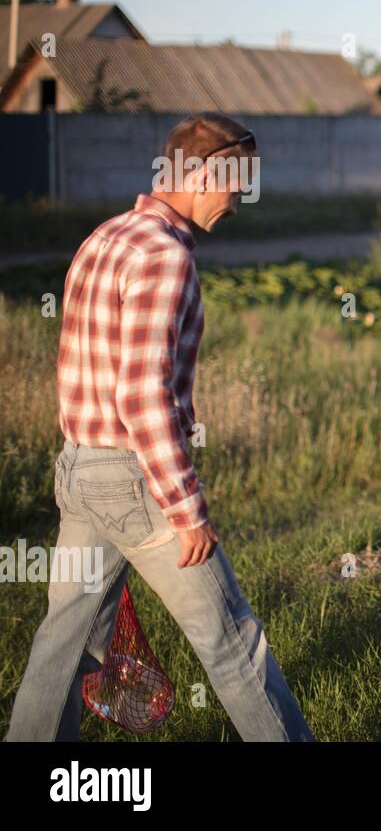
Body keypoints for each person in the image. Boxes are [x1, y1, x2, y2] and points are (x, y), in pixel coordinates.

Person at [5, 113, 314, 742]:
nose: (240, 201)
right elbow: (142, 394)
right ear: (203, 174)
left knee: (62, 649)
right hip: (133, 478)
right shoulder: (164, 256)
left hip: (80, 468)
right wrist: (186, 507)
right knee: (233, 646)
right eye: (239, 183)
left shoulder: (106, 237)